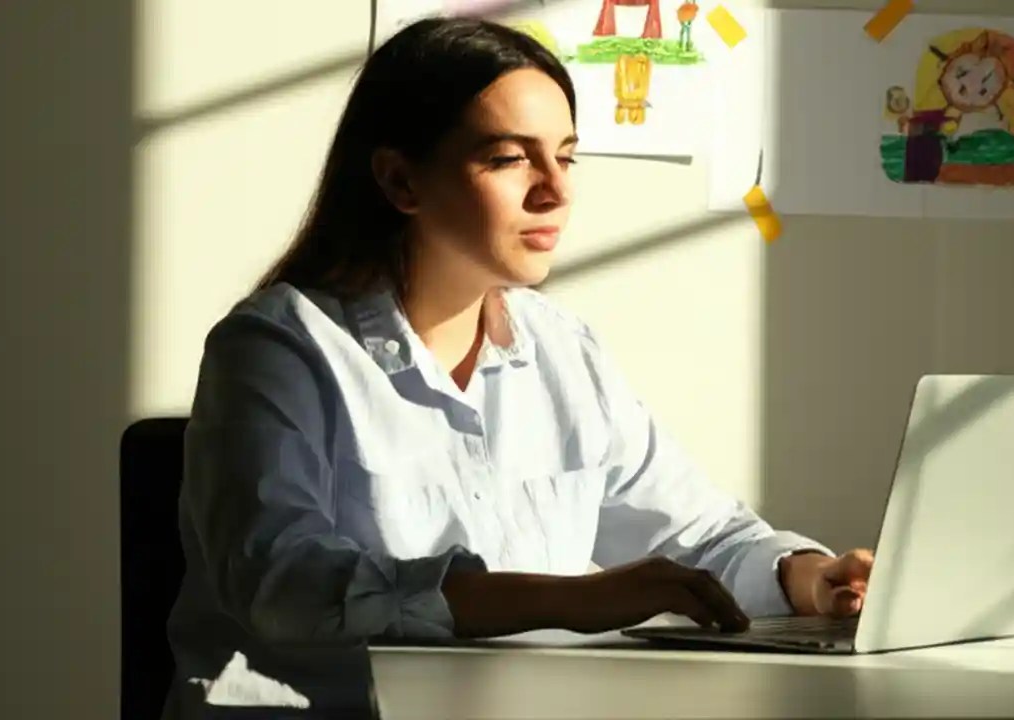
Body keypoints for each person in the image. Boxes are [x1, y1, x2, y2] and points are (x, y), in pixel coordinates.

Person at [164, 16, 873, 718]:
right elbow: (285, 583)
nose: (555, 191)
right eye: (509, 158)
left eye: (565, 156)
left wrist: (808, 578)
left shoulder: (562, 348)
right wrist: (569, 598)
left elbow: (702, 535)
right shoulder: (278, 349)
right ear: (399, 179)